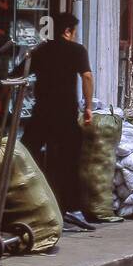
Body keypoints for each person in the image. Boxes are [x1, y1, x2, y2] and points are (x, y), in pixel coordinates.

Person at [24, 12, 95, 230]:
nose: (74, 36)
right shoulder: (76, 50)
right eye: (74, 31)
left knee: (29, 156)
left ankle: (31, 202)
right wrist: (89, 107)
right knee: (69, 161)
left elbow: (19, 73)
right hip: (65, 115)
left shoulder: (40, 51)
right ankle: (70, 208)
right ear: (68, 31)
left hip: (41, 114)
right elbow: (87, 76)